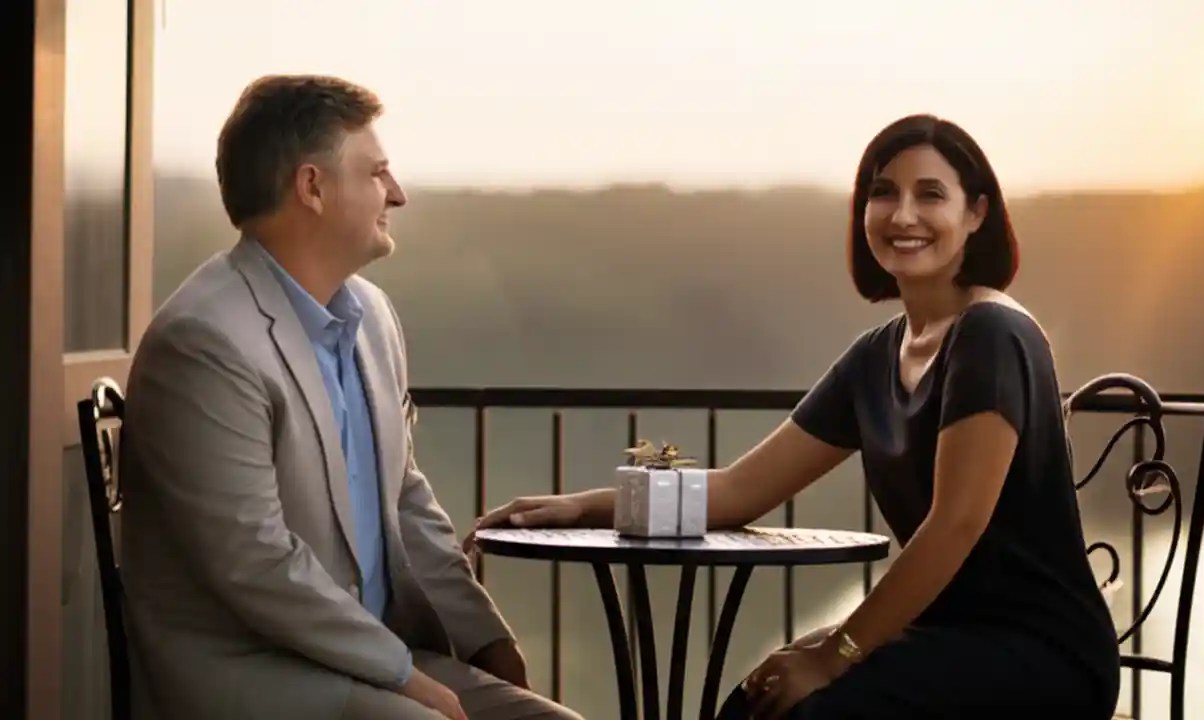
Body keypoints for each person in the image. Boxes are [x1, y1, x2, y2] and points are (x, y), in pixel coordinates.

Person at [469, 114, 1121, 718]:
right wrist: (580, 506)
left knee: (809, 710)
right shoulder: (876, 357)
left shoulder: (991, 335)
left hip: (1040, 652)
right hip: (943, 633)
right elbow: (737, 491)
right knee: (753, 703)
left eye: (930, 195)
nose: (903, 215)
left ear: (976, 212)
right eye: (883, 193)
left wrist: (835, 654)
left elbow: (956, 524)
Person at [122, 74, 582, 720]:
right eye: (377, 172)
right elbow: (255, 561)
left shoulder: (373, 317)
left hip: (376, 658)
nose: (397, 193)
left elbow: (406, 500)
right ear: (312, 187)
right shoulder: (205, 342)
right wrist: (401, 674)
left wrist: (488, 641)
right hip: (257, 672)